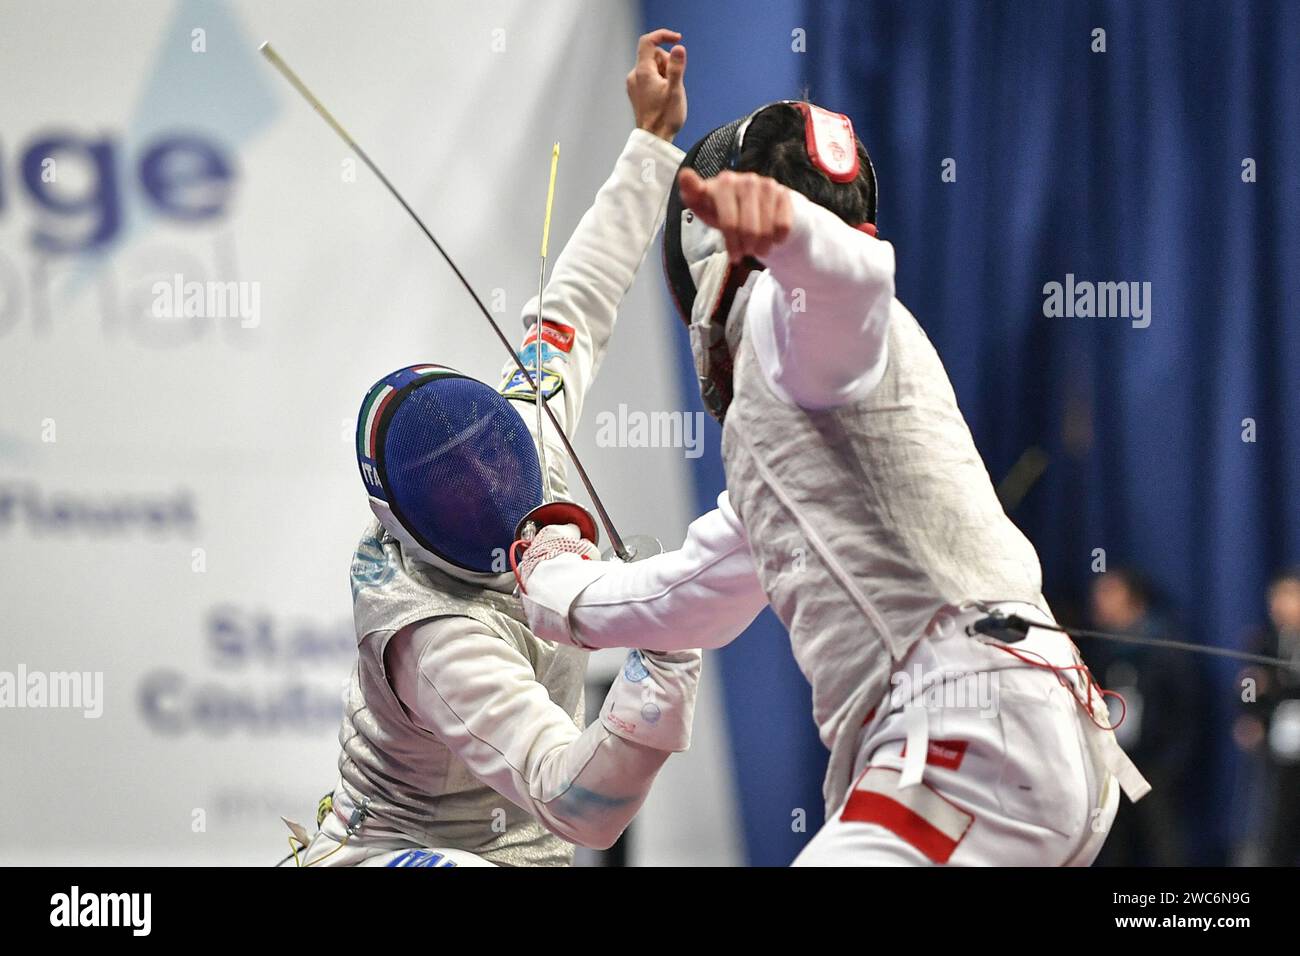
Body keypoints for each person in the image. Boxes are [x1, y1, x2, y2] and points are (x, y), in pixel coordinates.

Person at [518, 100, 1149, 865]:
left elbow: (848, 288)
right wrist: (554, 585)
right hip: (1019, 736)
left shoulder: (796, 325)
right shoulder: (790, 428)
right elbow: (687, 596)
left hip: (970, 742)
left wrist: (791, 235)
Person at [291, 30, 725, 867]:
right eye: (461, 481)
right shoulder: (439, 637)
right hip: (394, 852)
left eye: (496, 454)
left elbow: (574, 307)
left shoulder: (527, 442)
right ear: (410, 528)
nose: (492, 485)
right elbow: (583, 804)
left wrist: (649, 146)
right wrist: (663, 663)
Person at [1084, 569, 1195, 866]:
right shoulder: (1098, 649)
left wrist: (1171, 760)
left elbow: (1185, 708)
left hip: (1154, 762)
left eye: (1109, 593)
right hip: (1112, 760)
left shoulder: (1164, 647)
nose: (1099, 601)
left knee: (1163, 839)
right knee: (1111, 842)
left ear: (1134, 599)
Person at [1234, 567, 1300, 866]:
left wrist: (1277, 685)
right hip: (1280, 749)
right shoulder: (1264, 642)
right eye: (1275, 598)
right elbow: (1247, 689)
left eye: (1289, 597)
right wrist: (1252, 715)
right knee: (1277, 823)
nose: (1280, 605)